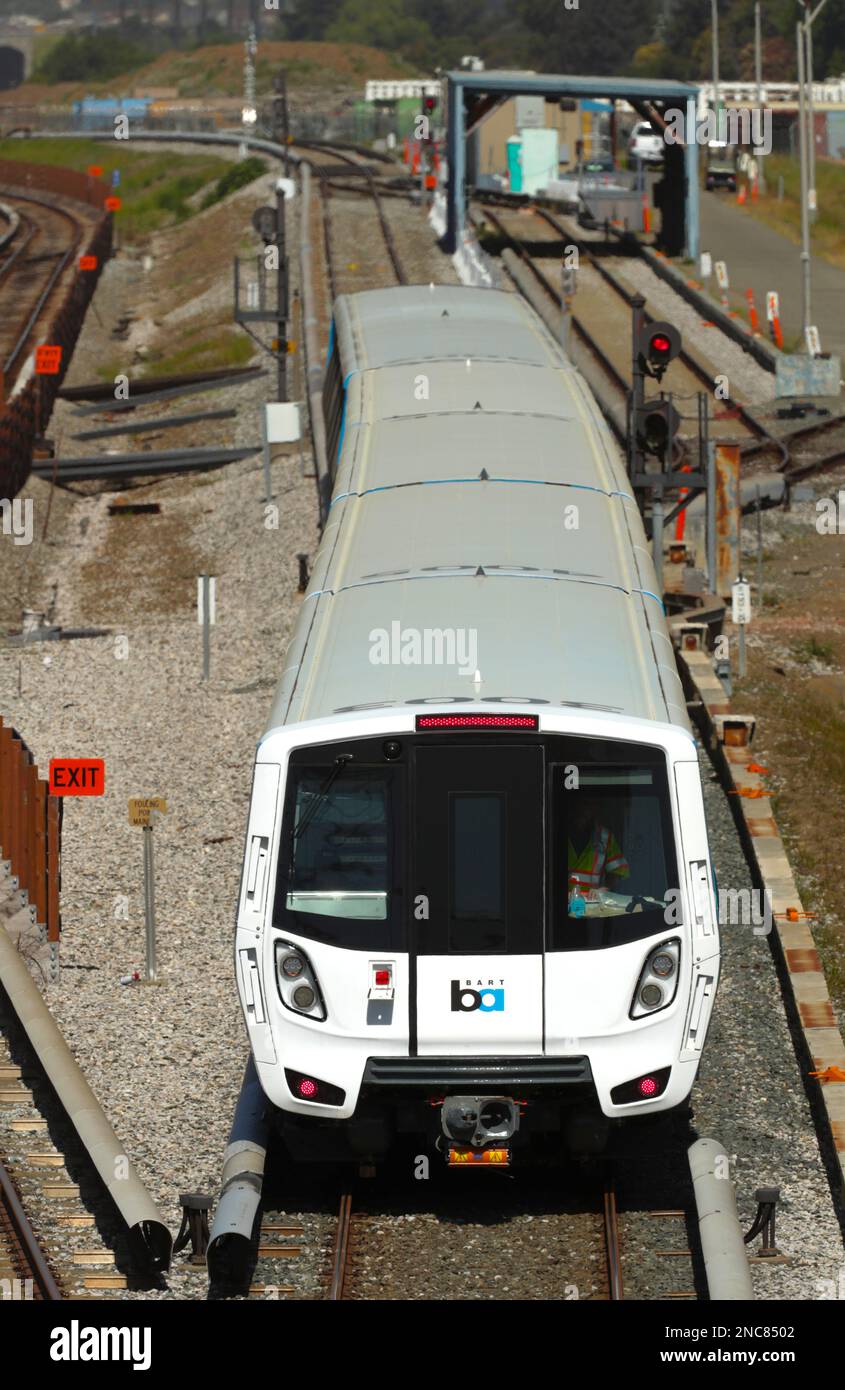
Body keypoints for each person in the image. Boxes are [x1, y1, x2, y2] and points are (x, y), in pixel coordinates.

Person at [567, 796, 629, 896]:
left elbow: (618, 870)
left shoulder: (605, 837)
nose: (584, 810)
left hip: (591, 902)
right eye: (583, 804)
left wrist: (604, 889)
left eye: (590, 805)